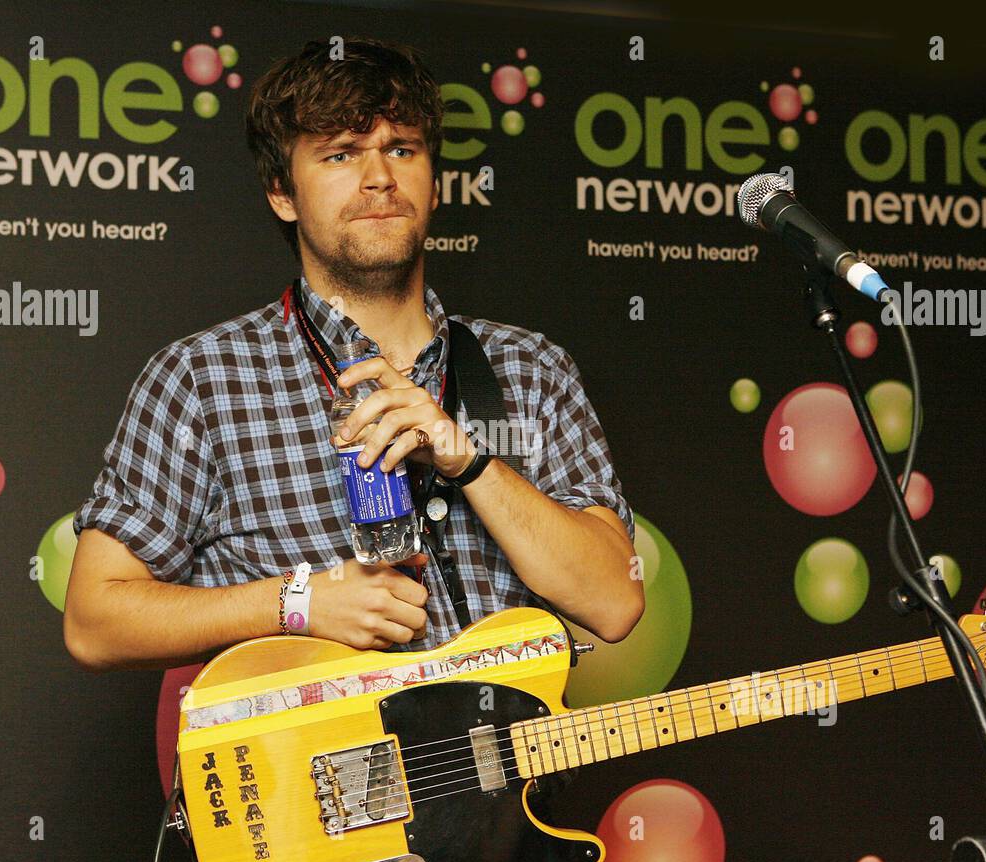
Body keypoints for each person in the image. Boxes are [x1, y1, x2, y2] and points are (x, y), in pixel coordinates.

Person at [63, 37, 643, 672]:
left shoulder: (532, 369)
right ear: (282, 193)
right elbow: (96, 621)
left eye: (402, 149)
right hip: (318, 769)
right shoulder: (201, 378)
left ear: (435, 180)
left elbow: (615, 603)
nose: (379, 178)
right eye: (340, 155)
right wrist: (297, 601)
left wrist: (466, 459)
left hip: (506, 770)